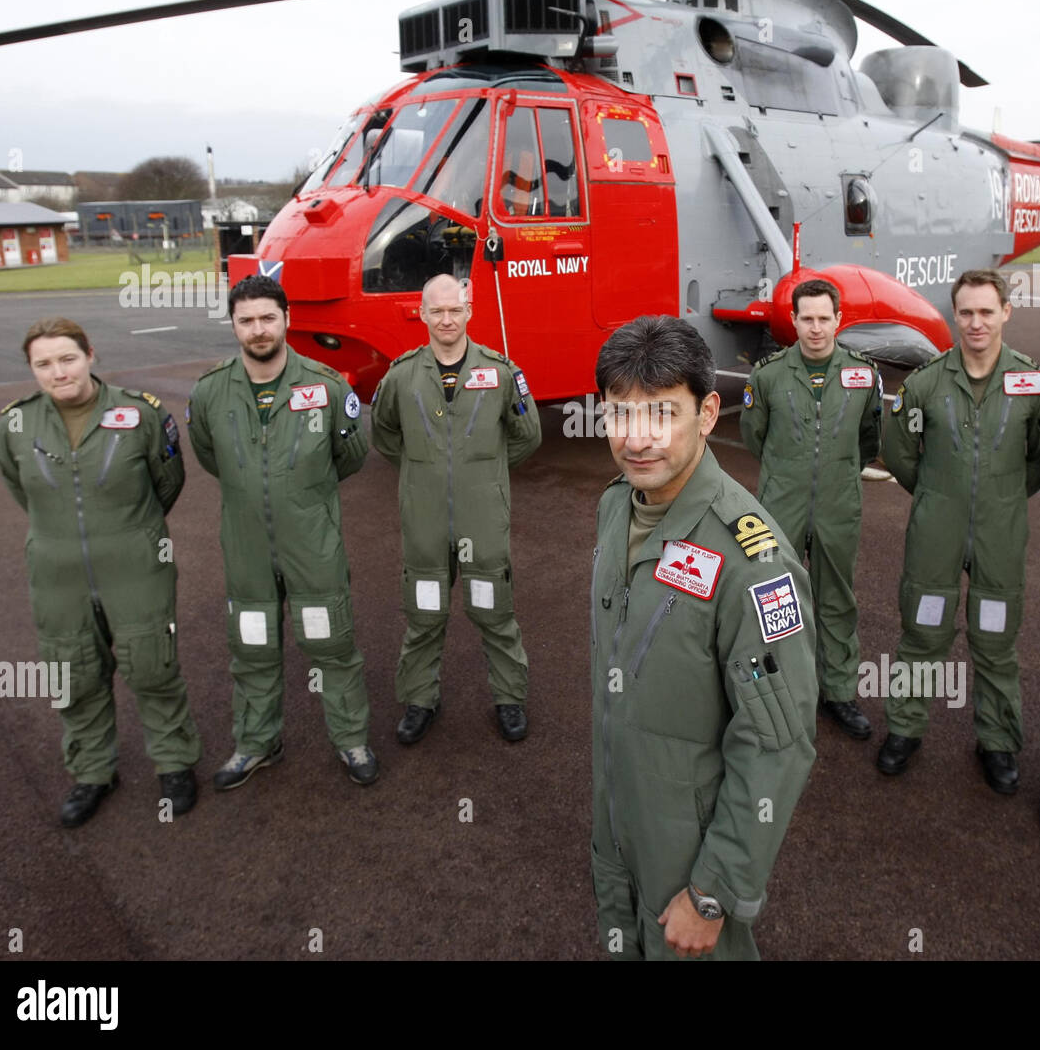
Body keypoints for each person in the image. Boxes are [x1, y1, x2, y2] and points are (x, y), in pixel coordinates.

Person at [590, 315, 818, 961]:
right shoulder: (616, 506)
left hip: (691, 858)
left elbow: (778, 740)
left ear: (709, 412)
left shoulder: (751, 558)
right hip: (617, 823)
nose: (638, 439)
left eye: (661, 414)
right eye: (619, 414)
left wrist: (714, 890)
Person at [0, 318, 202, 826]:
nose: (57, 372)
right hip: (57, 572)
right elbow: (22, 491)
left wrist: (130, 532)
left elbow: (166, 482)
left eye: (67, 358)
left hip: (135, 565)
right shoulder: (14, 426)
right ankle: (92, 772)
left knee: (152, 667)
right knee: (73, 673)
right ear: (33, 370)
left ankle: (174, 765)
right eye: (43, 364)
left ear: (90, 355)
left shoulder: (140, 413)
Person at [187, 276, 377, 788]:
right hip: (246, 550)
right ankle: (255, 744)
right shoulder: (209, 393)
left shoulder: (328, 387)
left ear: (287, 319)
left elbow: (351, 456)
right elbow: (211, 457)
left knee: (333, 646)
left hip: (312, 546)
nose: (258, 330)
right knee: (251, 650)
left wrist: (299, 495)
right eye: (246, 320)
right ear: (233, 326)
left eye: (268, 318)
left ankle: (351, 739)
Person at [878, 269, 1040, 791]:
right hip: (937, 529)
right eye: (966, 312)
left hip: (1002, 532)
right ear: (954, 314)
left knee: (996, 640)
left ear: (1006, 312)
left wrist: (1002, 497)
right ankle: (906, 728)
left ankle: (998, 742)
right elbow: (900, 454)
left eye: (986, 311)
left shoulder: (1032, 382)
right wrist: (938, 494)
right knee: (923, 632)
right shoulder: (926, 382)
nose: (976, 323)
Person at [371, 274, 541, 743]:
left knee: (495, 612)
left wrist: (483, 477)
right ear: (422, 314)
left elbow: (528, 436)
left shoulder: (501, 371)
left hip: (483, 521)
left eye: (455, 309)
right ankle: (419, 700)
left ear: (469, 311)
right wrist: (423, 471)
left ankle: (509, 699)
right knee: (424, 615)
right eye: (437, 311)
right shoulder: (401, 375)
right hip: (423, 523)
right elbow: (384, 434)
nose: (447, 319)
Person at [740, 278, 882, 740]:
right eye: (807, 318)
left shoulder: (863, 375)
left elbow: (869, 440)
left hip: (839, 506)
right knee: (775, 599)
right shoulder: (767, 376)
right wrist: (789, 474)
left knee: (837, 599)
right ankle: (778, 691)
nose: (816, 328)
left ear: (839, 320)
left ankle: (839, 692)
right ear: (794, 321)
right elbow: (753, 437)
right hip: (781, 504)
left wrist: (837, 472)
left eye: (825, 318)